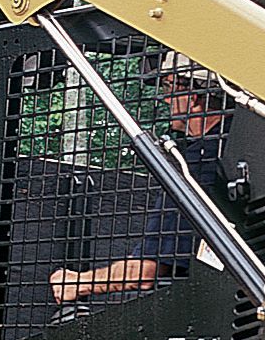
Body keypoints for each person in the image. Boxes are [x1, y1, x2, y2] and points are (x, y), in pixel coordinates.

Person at [49, 56, 230, 307]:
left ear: (194, 96)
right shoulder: (235, 150)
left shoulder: (198, 164)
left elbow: (147, 271)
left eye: (169, 87)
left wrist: (79, 282)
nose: (166, 99)